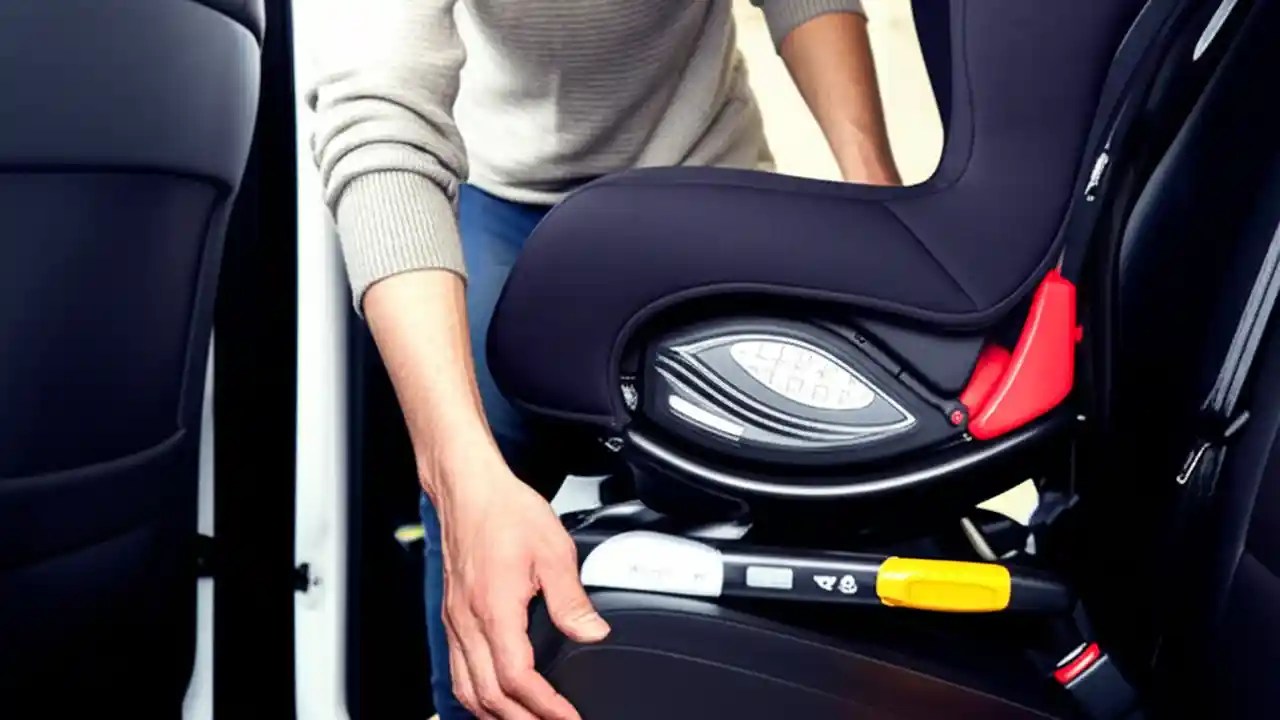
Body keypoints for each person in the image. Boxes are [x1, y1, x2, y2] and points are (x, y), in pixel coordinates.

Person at [308, 1, 899, 717]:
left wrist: (880, 204)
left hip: (698, 171)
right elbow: (379, 105)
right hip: (500, 191)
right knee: (475, 502)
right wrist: (460, 480)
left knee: (764, 510)